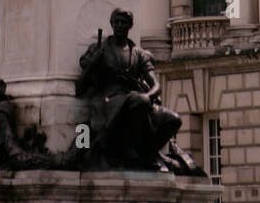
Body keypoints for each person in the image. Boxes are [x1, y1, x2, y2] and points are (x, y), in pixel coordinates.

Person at [76, 9, 182, 171]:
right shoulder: (100, 49)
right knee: (138, 100)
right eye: (116, 22)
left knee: (173, 119)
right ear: (111, 24)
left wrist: (148, 96)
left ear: (130, 25)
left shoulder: (138, 53)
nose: (119, 25)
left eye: (123, 22)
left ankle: (148, 153)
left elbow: (156, 85)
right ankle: (128, 152)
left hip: (135, 99)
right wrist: (93, 63)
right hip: (108, 99)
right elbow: (80, 88)